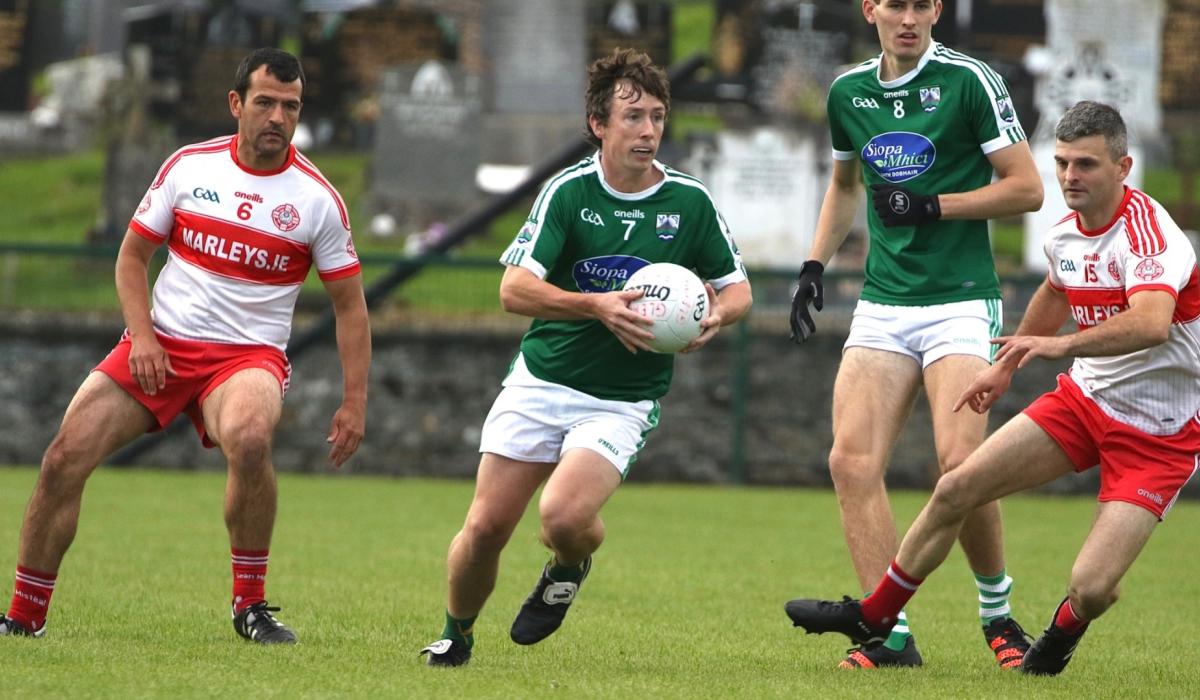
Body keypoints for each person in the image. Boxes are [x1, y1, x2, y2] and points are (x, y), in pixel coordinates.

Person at [786, 101, 1199, 676]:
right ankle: (877, 618)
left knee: (1093, 587)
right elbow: (1056, 290)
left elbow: (1151, 323)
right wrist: (1006, 366)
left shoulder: (1152, 235)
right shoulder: (1066, 235)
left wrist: (1059, 346)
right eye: (1061, 164)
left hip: (1159, 436)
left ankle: (1058, 637)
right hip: (1082, 406)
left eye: (1086, 165)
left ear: (1123, 167)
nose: (1070, 178)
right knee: (957, 486)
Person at [0, 48, 370, 644]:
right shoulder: (188, 168)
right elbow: (131, 259)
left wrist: (354, 402)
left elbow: (350, 307)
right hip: (162, 345)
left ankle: (250, 607)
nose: (278, 116)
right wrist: (142, 337)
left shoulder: (317, 199)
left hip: (246, 358)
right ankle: (23, 615)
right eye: (266, 102)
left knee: (250, 439)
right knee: (63, 458)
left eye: (291, 106)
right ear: (236, 104)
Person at [419, 47, 752, 667]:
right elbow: (513, 289)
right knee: (487, 527)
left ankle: (569, 565)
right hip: (543, 381)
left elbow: (739, 290)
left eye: (657, 116)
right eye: (632, 117)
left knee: (563, 518)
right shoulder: (569, 194)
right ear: (599, 124)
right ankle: (455, 636)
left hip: (622, 398)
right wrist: (595, 305)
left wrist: (714, 316)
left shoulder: (690, 203)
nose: (648, 130)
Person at [786, 0, 1044, 670]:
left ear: (936, 9)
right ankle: (889, 635)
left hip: (960, 302)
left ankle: (998, 614)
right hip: (884, 304)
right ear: (869, 7)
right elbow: (845, 186)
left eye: (921, 3)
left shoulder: (969, 82)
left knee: (960, 467)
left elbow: (1027, 189)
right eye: (893, 3)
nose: (908, 17)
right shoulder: (848, 91)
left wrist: (937, 206)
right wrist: (814, 264)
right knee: (849, 461)